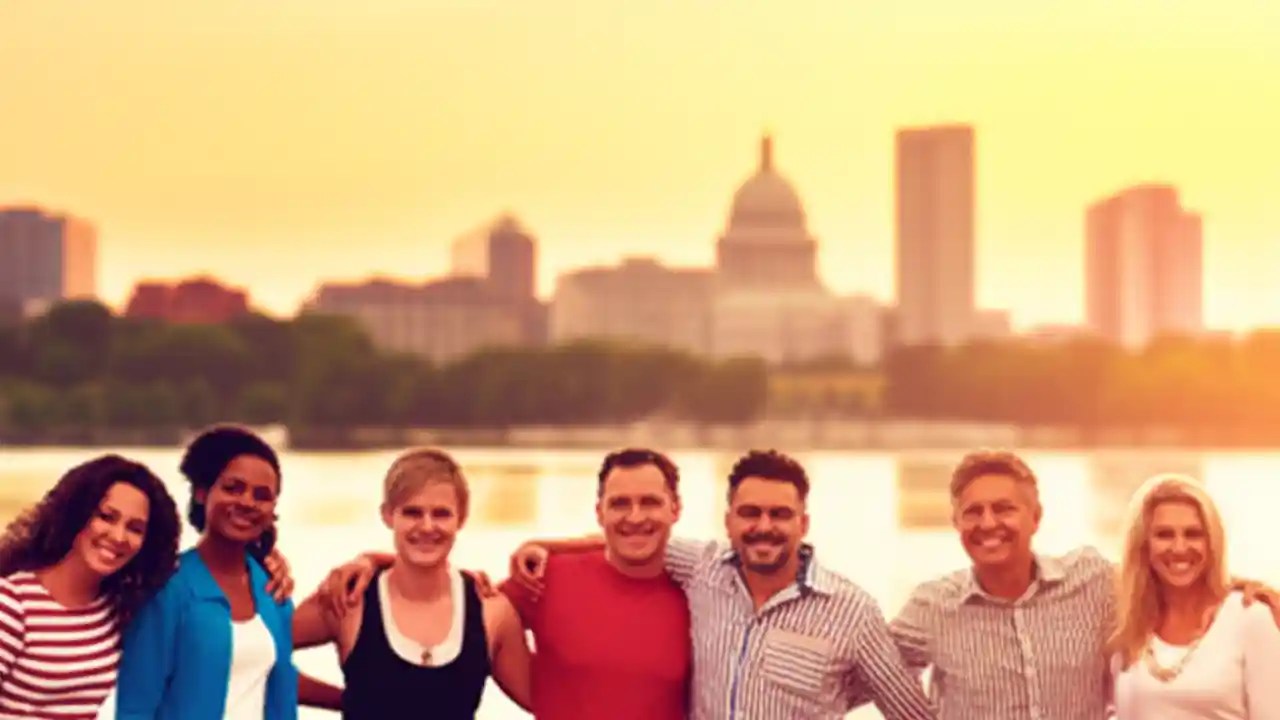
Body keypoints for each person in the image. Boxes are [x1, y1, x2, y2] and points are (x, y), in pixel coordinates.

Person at [511, 449, 937, 720]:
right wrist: (541, 545)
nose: (764, 527)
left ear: (803, 523)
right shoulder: (702, 568)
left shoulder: (850, 611)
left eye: (780, 515)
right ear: (729, 519)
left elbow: (910, 712)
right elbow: (637, 536)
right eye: (750, 513)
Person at [884, 449, 1280, 720]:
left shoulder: (1091, 583)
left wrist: (1236, 585)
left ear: (1035, 517)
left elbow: (1167, 567)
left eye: (1004, 508)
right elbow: (864, 671)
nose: (988, 524)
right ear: (956, 523)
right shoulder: (932, 607)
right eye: (974, 512)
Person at [316, 447, 690, 720]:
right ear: (599, 512)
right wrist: (374, 561)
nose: (635, 517)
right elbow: (446, 593)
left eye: (650, 503)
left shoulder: (701, 588)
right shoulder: (545, 579)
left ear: (676, 509)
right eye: (620, 504)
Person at [293, 447, 531, 719]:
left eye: (441, 514)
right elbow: (251, 651)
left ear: (461, 518)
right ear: (387, 515)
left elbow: (553, 699)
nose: (427, 527)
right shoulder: (350, 599)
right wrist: (343, 700)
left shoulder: (492, 611)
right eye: (412, 513)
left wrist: (560, 551)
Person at [115, 425, 298, 720]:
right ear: (202, 492)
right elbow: (135, 706)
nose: (247, 502)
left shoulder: (273, 590)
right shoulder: (168, 589)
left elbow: (279, 684)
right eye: (233, 488)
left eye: (262, 495)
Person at [0, 455, 180, 720]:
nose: (118, 537)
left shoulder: (118, 607)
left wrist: (261, 565)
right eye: (106, 517)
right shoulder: (13, 605)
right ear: (76, 514)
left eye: (135, 528)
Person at [1109, 473, 1280, 718]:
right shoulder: (1128, 624)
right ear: (1143, 545)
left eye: (1193, 534)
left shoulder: (1251, 618)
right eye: (1164, 535)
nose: (1179, 548)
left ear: (1213, 542)